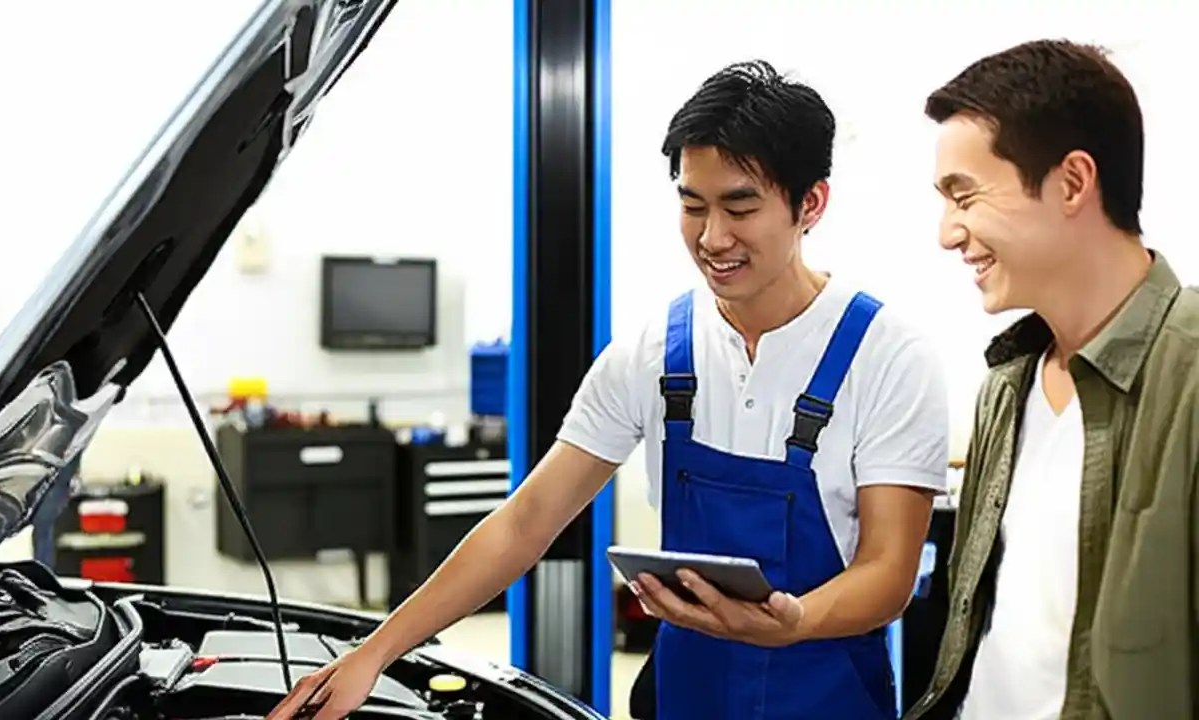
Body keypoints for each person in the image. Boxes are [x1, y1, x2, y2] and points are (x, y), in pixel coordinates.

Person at [266, 60, 949, 720]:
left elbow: (888, 574)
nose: (712, 237)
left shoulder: (888, 358)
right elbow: (524, 523)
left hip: (826, 698)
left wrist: (792, 622)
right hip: (685, 696)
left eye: (741, 207)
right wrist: (376, 652)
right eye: (692, 205)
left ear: (812, 204)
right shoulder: (653, 352)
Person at [905, 39, 1198, 720]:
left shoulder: (1185, 375)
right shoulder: (1007, 386)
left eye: (965, 196)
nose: (949, 233)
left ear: (1071, 182)